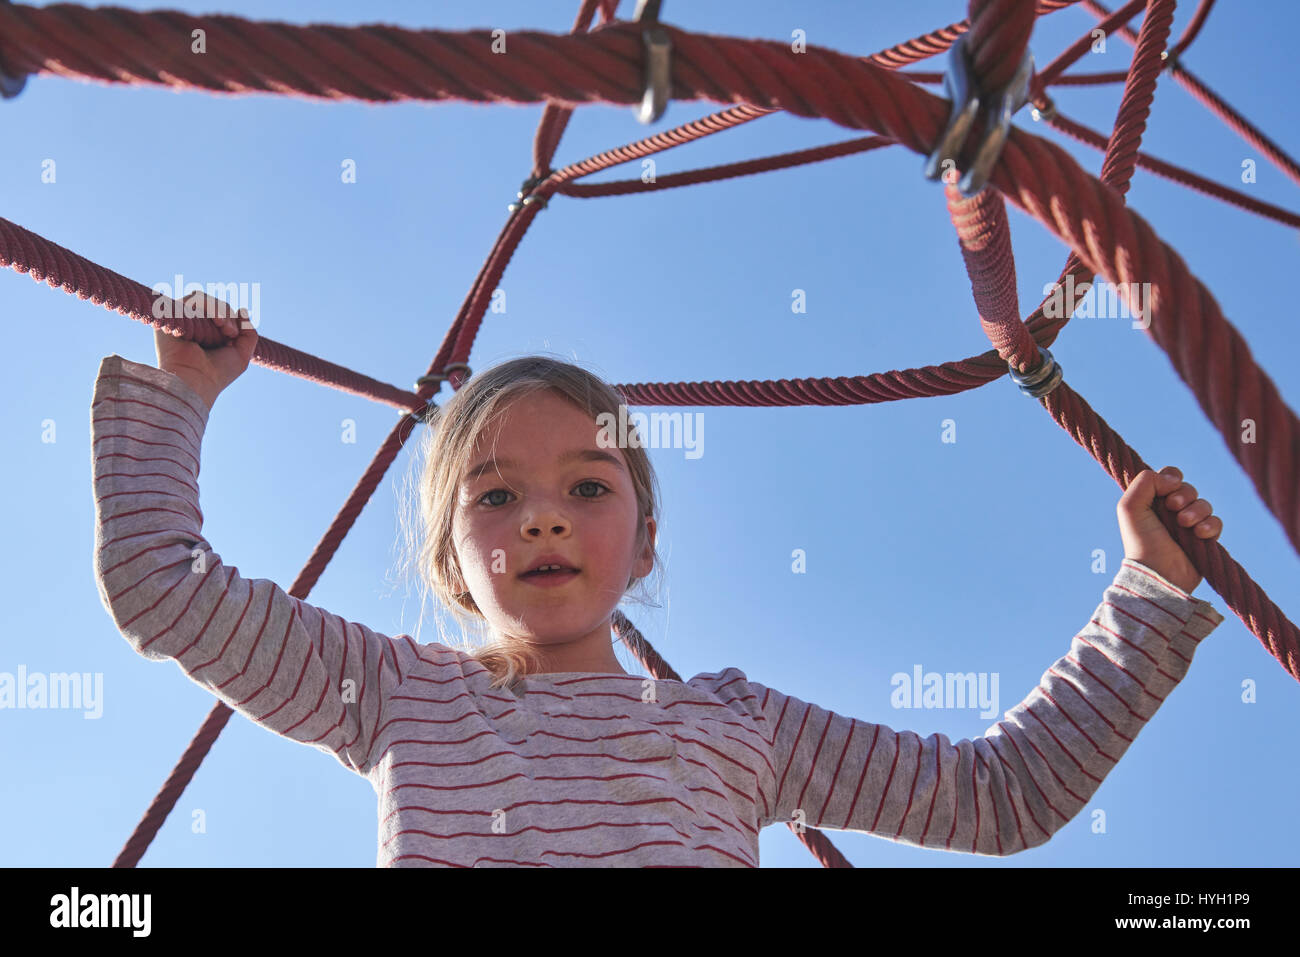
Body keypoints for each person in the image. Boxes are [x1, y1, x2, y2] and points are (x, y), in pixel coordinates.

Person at [90, 308, 1225, 866]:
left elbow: (1000, 795)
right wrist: (183, 392)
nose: (540, 515)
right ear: (447, 563)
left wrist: (1147, 592)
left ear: (642, 546)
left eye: (586, 486)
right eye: (493, 497)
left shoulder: (737, 726)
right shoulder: (397, 694)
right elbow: (165, 592)